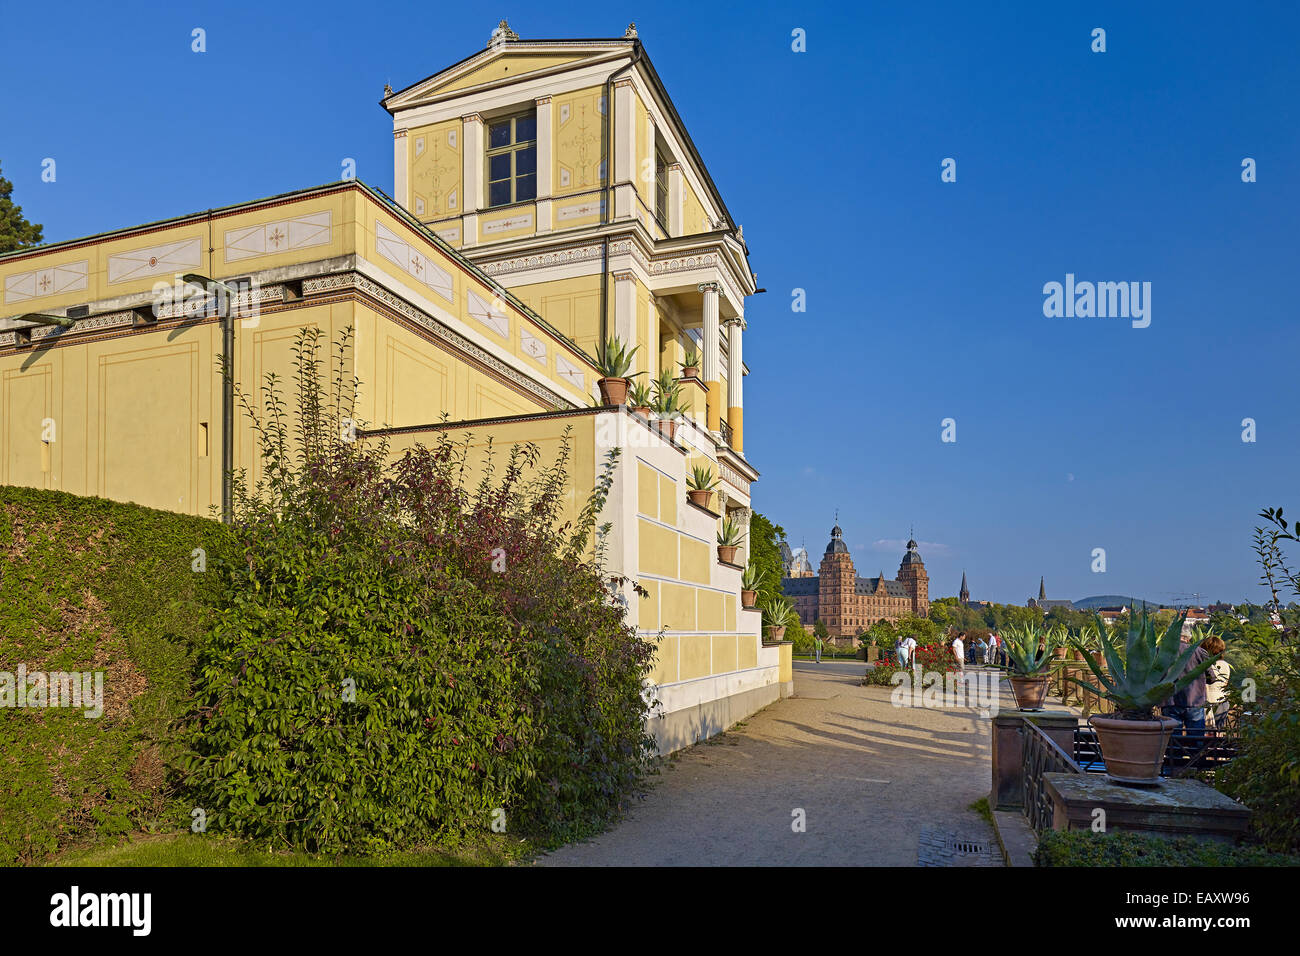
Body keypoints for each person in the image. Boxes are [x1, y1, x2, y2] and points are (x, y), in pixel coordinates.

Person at [1161, 634, 1210, 733]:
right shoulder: (1199, 652)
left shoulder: (1161, 652)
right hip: (1194, 700)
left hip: (1170, 701)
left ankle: (1176, 748)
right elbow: (1211, 677)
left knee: (1172, 739)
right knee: (1196, 738)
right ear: (1188, 638)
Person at [1202, 635, 1231, 730]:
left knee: (1207, 733)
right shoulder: (1225, 665)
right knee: (1219, 733)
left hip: (1208, 702)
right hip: (1222, 701)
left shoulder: (1206, 665)